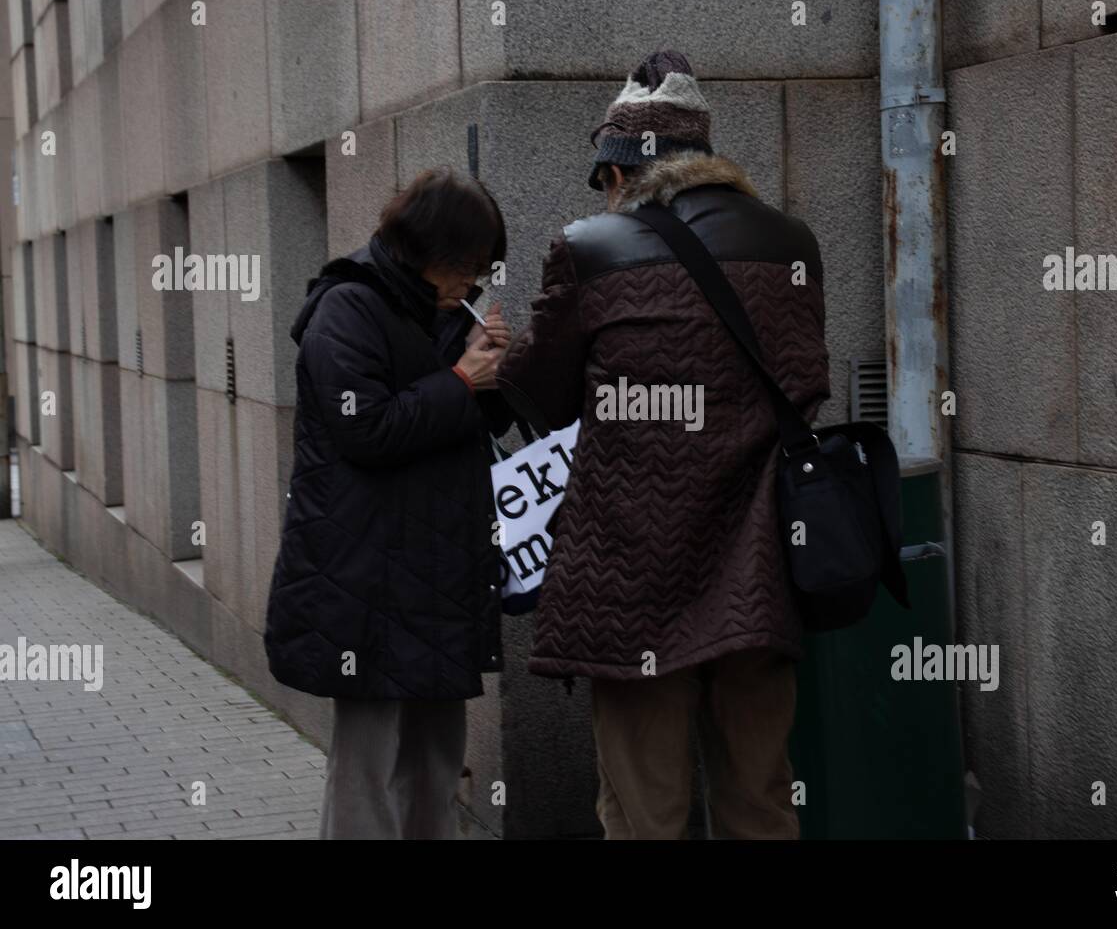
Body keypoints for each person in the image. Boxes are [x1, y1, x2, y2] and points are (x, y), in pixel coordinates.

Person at [497, 50, 831, 839]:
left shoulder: (592, 247)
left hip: (631, 577)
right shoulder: (791, 244)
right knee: (760, 804)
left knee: (646, 812)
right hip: (757, 565)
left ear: (618, 173)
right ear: (705, 157)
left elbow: (540, 392)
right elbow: (806, 383)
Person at [264, 166, 514, 839]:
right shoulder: (347, 306)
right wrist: (463, 379)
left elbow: (467, 428)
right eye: (467, 269)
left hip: (440, 573)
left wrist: (492, 375)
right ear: (425, 252)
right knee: (369, 764)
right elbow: (364, 429)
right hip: (363, 573)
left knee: (437, 757)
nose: (473, 285)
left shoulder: (439, 310)